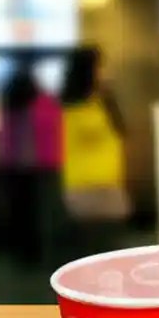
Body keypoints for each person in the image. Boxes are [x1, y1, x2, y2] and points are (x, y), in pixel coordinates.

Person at [59, 46, 130, 253]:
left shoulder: (101, 103)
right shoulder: (73, 107)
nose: (106, 73)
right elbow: (92, 132)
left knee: (108, 252)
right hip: (87, 188)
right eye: (101, 67)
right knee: (98, 252)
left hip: (108, 185)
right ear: (89, 70)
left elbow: (121, 133)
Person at [0, 54, 63, 266]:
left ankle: (20, 253)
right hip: (40, 165)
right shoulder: (44, 102)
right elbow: (55, 128)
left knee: (18, 211)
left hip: (13, 165)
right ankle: (38, 253)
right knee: (41, 212)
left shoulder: (9, 103)